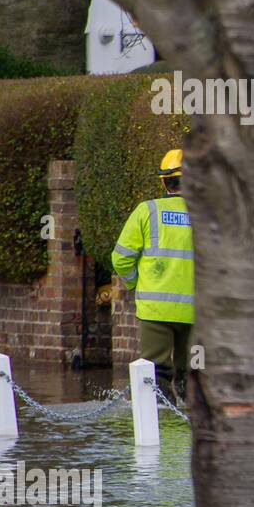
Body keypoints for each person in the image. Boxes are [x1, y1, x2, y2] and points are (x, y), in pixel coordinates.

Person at [111, 149, 195, 400]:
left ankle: (161, 424)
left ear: (164, 181)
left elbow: (121, 258)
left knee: (155, 375)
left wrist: (134, 282)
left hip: (155, 309)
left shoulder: (147, 211)